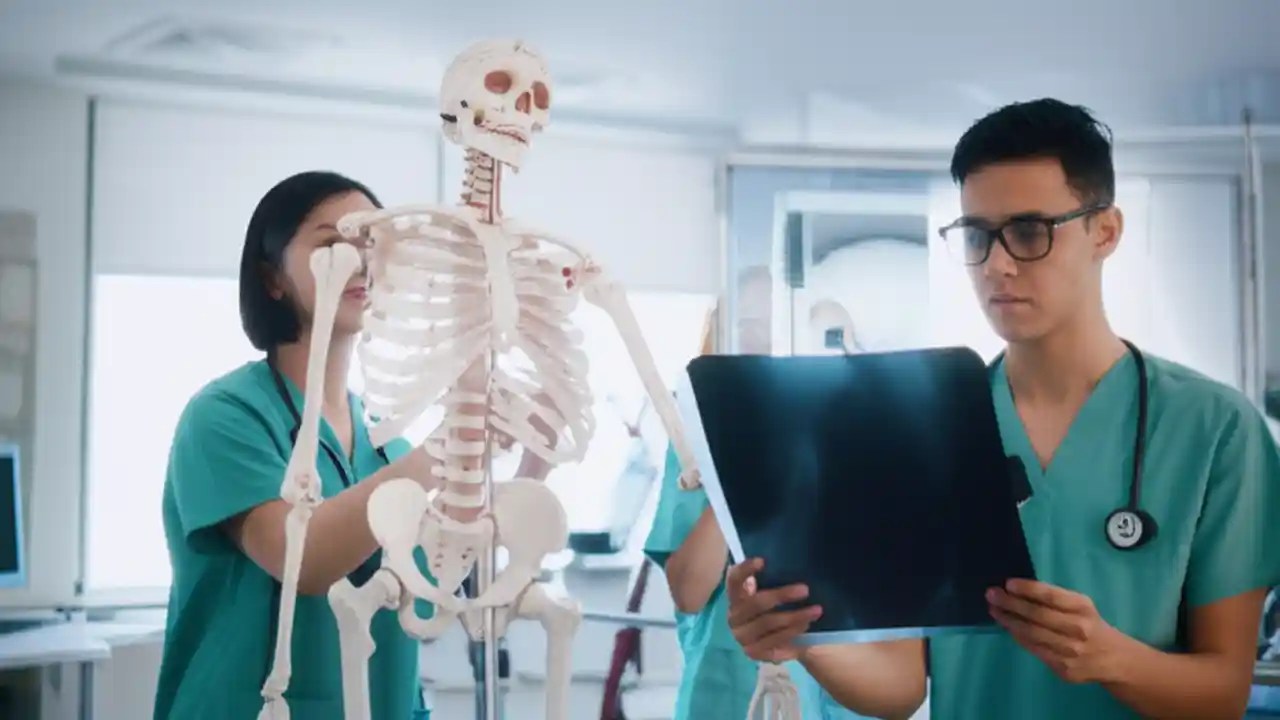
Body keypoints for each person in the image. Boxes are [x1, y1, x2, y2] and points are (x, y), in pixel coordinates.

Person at [724, 99, 1280, 720]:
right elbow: (902, 687)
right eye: (976, 235)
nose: (997, 264)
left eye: (1028, 231)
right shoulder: (930, 432)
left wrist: (1110, 659)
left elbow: (1225, 693)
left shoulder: (1217, 432)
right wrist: (800, 638)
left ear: (1106, 231)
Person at [645, 302, 870, 719]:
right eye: (753, 321)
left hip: (842, 694)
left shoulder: (856, 442)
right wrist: (736, 471)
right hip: (729, 694)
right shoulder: (695, 441)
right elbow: (690, 593)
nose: (771, 335)